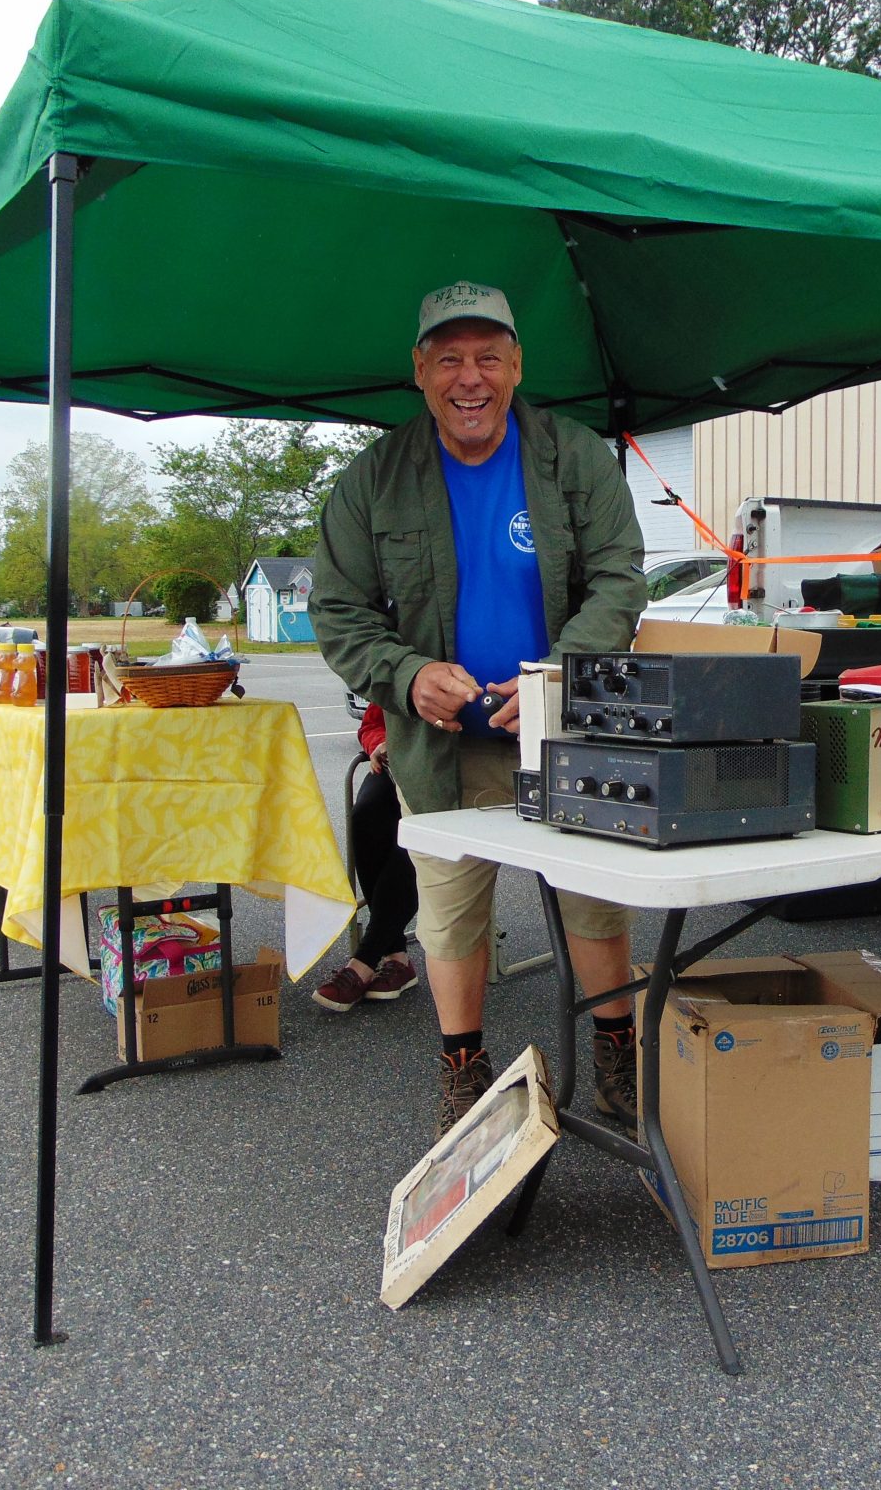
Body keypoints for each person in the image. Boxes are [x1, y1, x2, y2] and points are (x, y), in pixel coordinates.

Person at [312, 281, 647, 1138]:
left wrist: (557, 676)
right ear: (421, 371)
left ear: (517, 366)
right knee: (450, 913)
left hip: (564, 731)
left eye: (489, 357)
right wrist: (405, 673)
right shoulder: (374, 478)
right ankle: (463, 1072)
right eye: (451, 359)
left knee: (593, 902)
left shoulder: (575, 457)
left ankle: (618, 1061)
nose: (471, 378)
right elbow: (339, 610)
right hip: (440, 748)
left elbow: (619, 578)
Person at [312, 702, 420, 1012]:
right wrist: (379, 744)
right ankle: (397, 955)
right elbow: (372, 722)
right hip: (399, 762)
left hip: (457, 767)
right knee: (366, 817)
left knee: (411, 836)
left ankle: (365, 960)